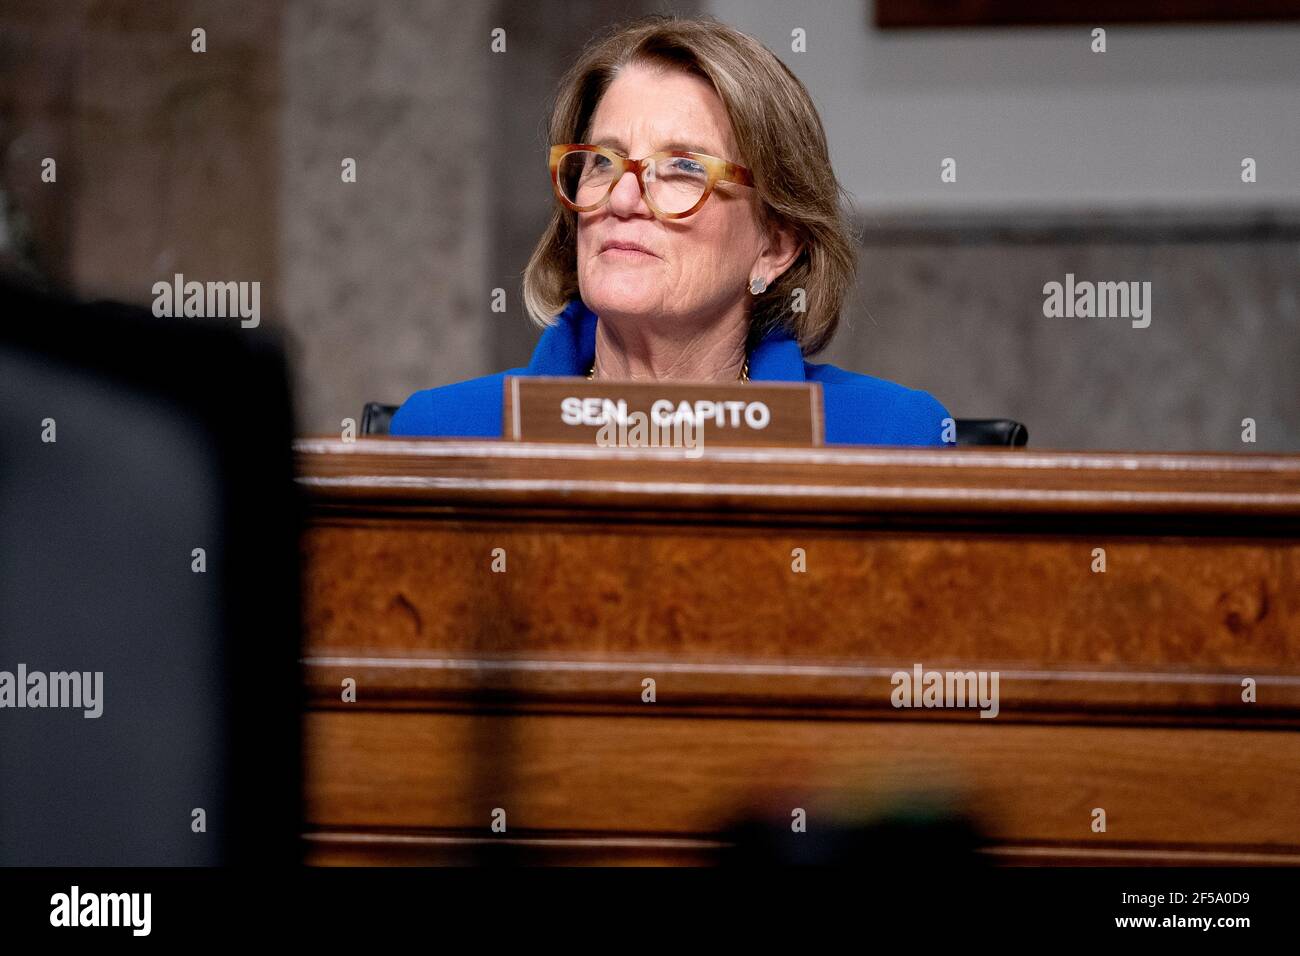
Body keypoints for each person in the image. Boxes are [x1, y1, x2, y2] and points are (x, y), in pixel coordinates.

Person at [392, 15, 949, 446]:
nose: (624, 199)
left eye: (684, 168)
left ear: (775, 244)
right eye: (604, 162)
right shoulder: (444, 432)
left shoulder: (888, 435)